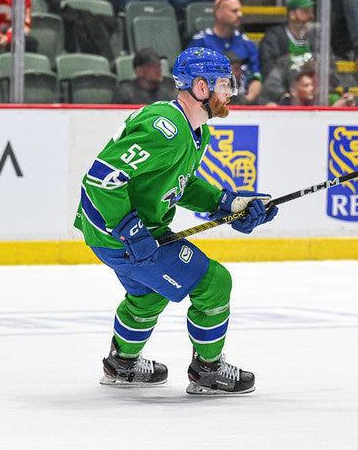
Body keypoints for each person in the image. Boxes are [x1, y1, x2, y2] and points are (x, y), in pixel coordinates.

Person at [74, 46, 277, 394]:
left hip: (118, 234)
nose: (230, 93)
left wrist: (227, 202)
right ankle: (208, 371)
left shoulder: (195, 132)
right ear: (201, 87)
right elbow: (101, 179)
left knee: (149, 296)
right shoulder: (164, 130)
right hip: (123, 234)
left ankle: (122, 364)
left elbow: (177, 183)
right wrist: (130, 231)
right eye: (224, 85)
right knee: (214, 283)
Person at [187, 0, 262, 104]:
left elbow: (256, 78)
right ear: (218, 13)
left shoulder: (246, 43)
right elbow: (190, 79)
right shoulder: (200, 43)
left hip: (243, 105)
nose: (240, 15)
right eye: (234, 11)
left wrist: (246, 101)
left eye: (240, 11)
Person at [259, 0, 316, 81]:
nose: (311, 16)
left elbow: (330, 68)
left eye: (312, 12)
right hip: (286, 91)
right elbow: (269, 73)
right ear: (292, 14)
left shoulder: (316, 37)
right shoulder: (273, 38)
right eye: (305, 11)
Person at [270, 64, 355, 107]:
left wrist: (347, 108)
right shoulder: (287, 102)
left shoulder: (331, 97)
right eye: (306, 85)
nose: (312, 87)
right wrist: (334, 109)